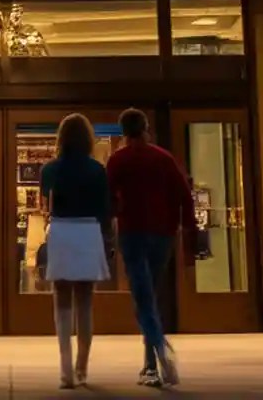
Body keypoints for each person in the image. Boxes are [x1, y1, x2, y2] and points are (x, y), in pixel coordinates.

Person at [106, 108, 195, 387]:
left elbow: (107, 199)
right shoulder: (163, 158)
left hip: (132, 232)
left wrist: (108, 231)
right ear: (146, 128)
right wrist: (187, 231)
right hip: (163, 234)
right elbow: (184, 195)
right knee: (150, 293)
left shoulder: (118, 160)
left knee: (142, 296)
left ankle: (157, 350)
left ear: (123, 131)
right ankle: (150, 362)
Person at [40, 113, 112, 389]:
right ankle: (83, 366)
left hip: (61, 229)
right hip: (88, 231)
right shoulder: (98, 170)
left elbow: (48, 202)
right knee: (85, 300)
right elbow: (105, 210)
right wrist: (106, 239)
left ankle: (65, 368)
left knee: (61, 298)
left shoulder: (50, 169)